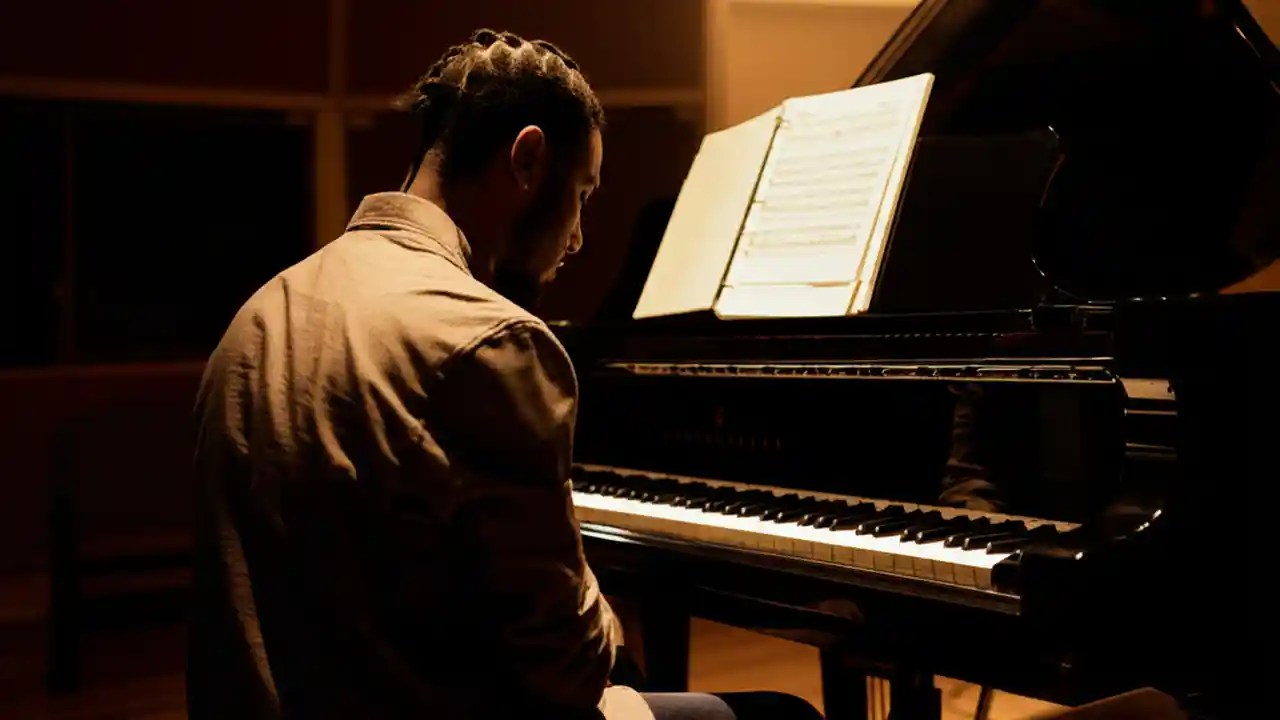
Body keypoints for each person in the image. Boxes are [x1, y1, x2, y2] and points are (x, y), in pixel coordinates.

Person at [187, 28, 823, 720]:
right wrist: (601, 617)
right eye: (581, 194)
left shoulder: (255, 318)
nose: (578, 237)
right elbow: (569, 673)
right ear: (526, 159)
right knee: (783, 714)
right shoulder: (492, 338)